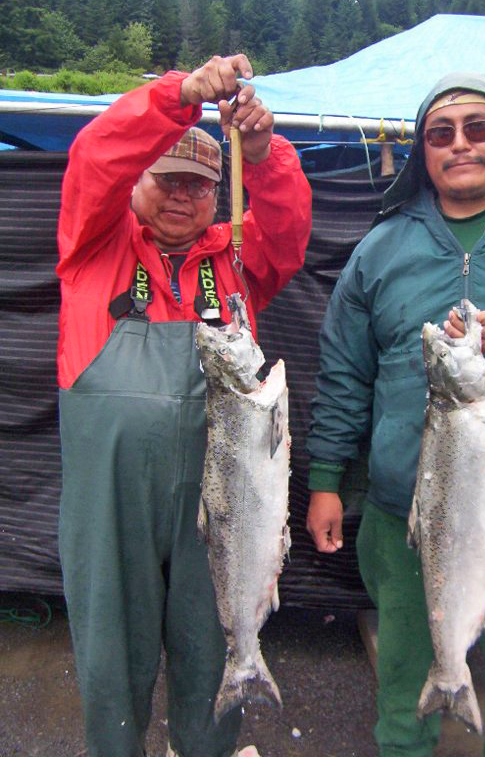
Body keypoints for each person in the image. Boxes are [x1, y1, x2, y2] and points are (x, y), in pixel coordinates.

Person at [305, 72, 485, 757]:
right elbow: (346, 370)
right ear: (422, 152)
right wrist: (326, 477)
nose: (459, 144)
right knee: (405, 687)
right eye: (440, 134)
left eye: (478, 128)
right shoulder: (381, 247)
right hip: (399, 512)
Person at [56, 54, 311, 757]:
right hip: (111, 506)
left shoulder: (237, 260)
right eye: (164, 177)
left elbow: (288, 230)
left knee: (214, 647)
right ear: (135, 181)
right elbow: (94, 157)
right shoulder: (90, 250)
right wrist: (178, 96)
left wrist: (260, 154)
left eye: (198, 184)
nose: (181, 195)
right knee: (112, 654)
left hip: (222, 501)